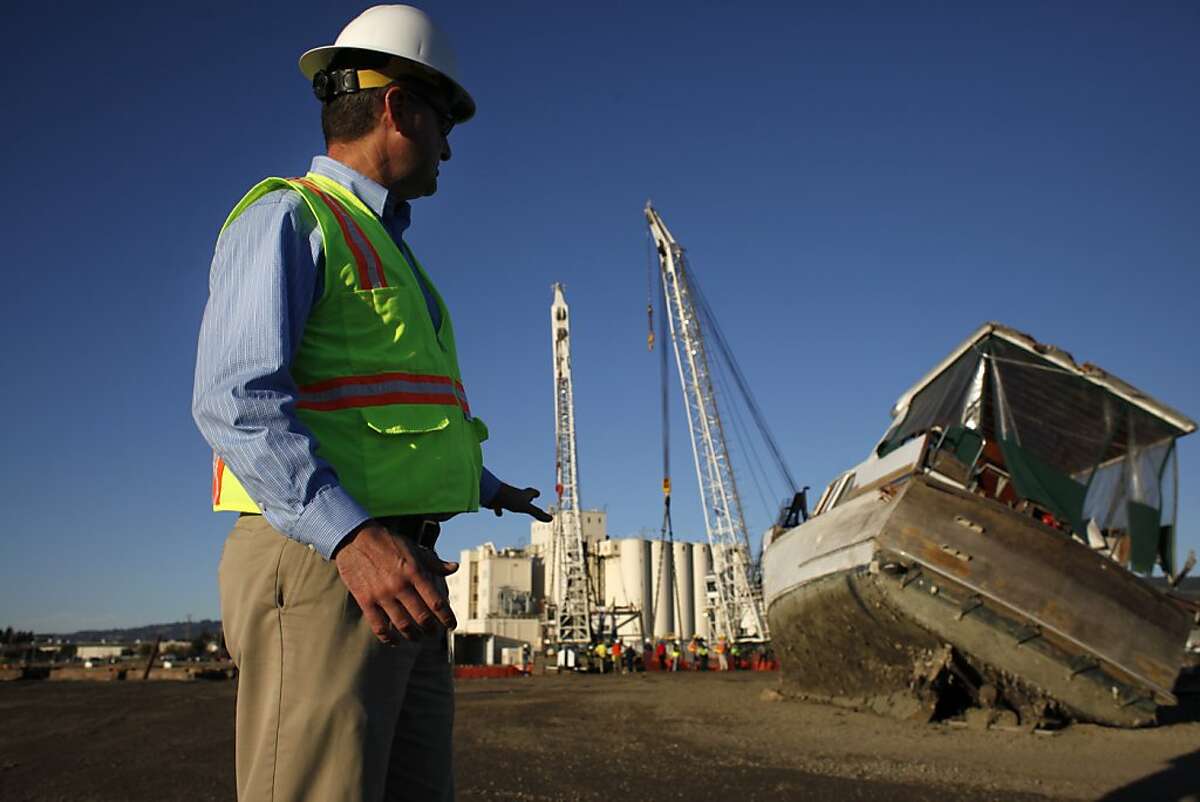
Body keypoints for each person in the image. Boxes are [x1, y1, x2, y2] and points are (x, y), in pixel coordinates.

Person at [192, 7, 550, 801]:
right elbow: (234, 401)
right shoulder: (290, 217)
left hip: (402, 570)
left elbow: (380, 409)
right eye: (446, 120)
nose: (451, 147)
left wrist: (485, 487)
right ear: (399, 108)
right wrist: (352, 540)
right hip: (329, 562)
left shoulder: (386, 245)